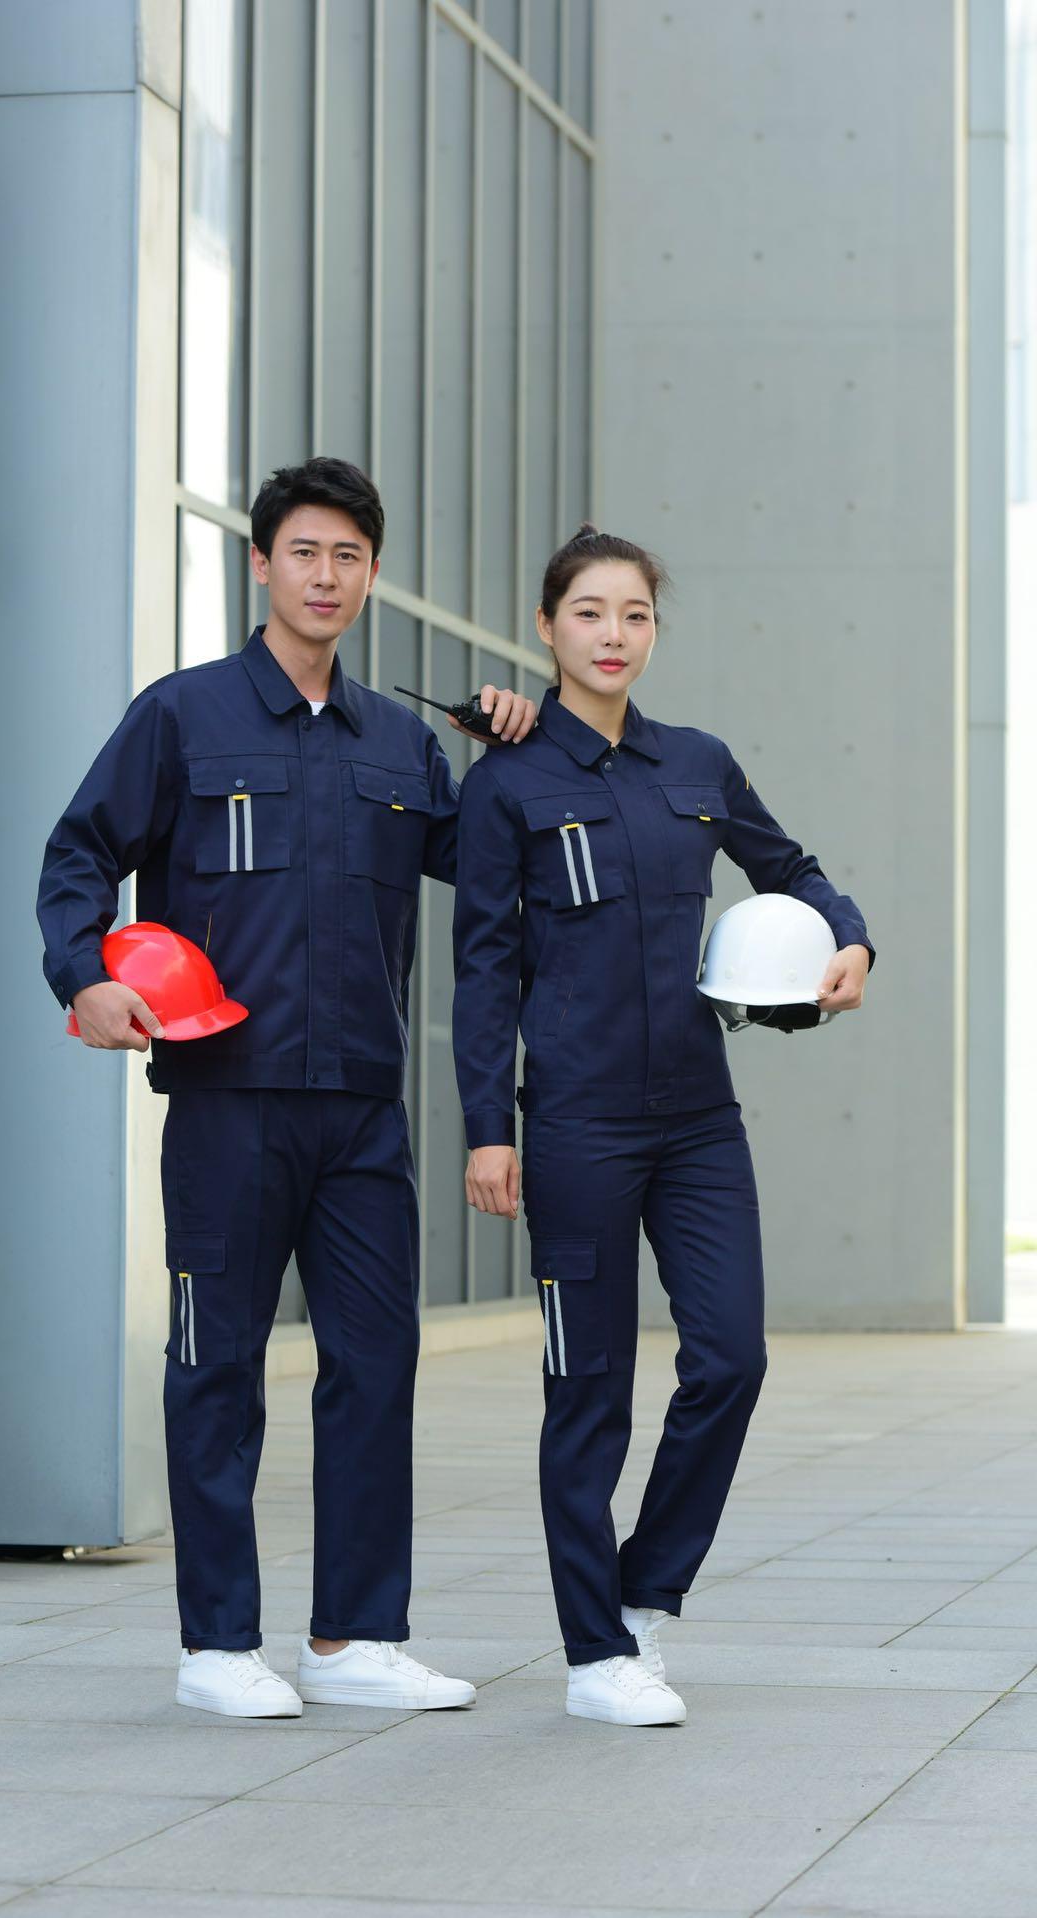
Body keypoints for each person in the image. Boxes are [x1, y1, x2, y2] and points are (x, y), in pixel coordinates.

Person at [37, 457, 538, 1719]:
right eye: (303, 552)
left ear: (371, 575)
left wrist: (510, 761)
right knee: (215, 1366)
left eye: (347, 556)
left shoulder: (401, 742)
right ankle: (217, 1646)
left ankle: (352, 1637)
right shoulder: (183, 717)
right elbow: (80, 851)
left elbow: (490, 866)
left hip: (362, 1107)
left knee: (374, 1364)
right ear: (260, 563)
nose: (325, 576)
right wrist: (81, 975)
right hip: (228, 1098)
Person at [451, 524, 874, 1727]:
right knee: (585, 1392)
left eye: (633, 614)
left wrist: (848, 937)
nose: (612, 634)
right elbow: (481, 970)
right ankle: (594, 1657)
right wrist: (488, 1128)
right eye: (588, 612)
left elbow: (790, 867)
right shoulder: (504, 784)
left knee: (730, 1358)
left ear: (651, 631)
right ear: (546, 628)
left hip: (696, 1120)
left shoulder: (696, 763)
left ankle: (641, 1594)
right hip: (574, 1125)